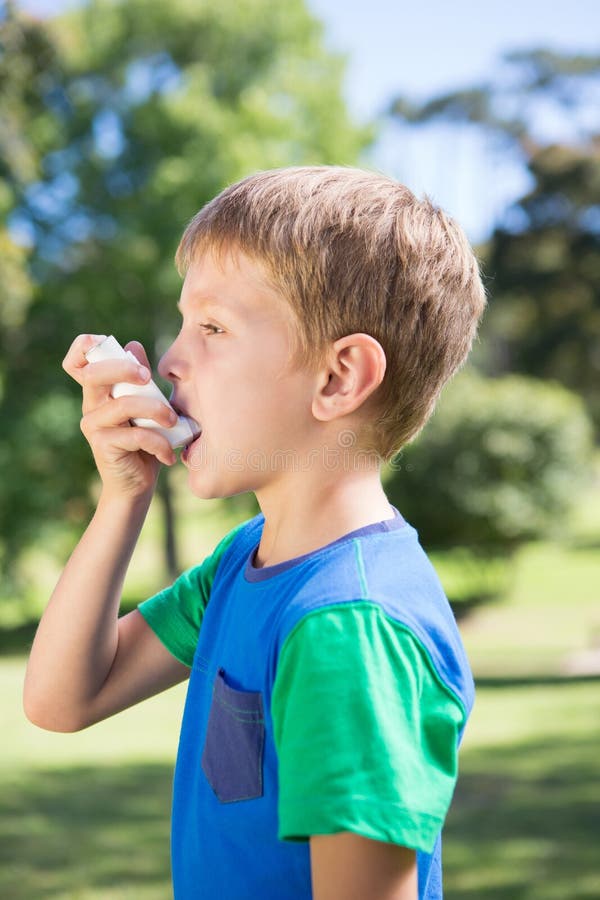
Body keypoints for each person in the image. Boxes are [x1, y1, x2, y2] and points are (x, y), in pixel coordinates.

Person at [24, 166, 486, 900]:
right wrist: (124, 497)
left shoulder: (349, 631)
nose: (170, 359)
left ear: (339, 379)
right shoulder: (248, 559)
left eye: (211, 328)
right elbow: (61, 700)